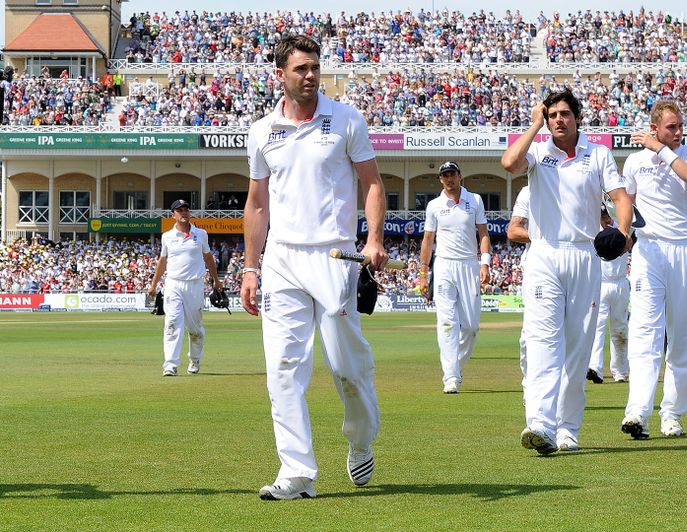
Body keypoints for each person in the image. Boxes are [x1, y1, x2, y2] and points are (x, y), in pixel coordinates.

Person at [241, 35, 389, 499]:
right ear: (280, 75)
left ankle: (362, 439)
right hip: (282, 258)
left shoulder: (346, 119)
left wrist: (375, 239)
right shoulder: (262, 130)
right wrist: (249, 268)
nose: (310, 75)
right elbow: (257, 203)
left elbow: (372, 184)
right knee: (283, 368)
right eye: (301, 68)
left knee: (347, 366)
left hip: (335, 256)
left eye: (315, 67)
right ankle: (297, 473)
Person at [501, 88, 633, 454]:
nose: (558, 120)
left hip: (584, 255)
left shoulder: (598, 153)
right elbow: (509, 163)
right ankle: (539, 424)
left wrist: (622, 233)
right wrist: (533, 126)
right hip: (544, 254)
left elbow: (621, 197)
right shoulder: (538, 150)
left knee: (577, 346)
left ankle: (567, 429)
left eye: (565, 114)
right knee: (544, 341)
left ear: (577, 118)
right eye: (552, 114)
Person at [621, 100, 687, 440]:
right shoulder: (634, 162)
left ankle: (671, 413)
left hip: (685, 249)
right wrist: (623, 235)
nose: (679, 131)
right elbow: (626, 202)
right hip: (649, 250)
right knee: (644, 331)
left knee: (683, 337)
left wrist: (661, 148)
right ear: (655, 126)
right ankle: (637, 412)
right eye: (672, 127)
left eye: (680, 125)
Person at [418, 161, 491, 394]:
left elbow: (483, 234)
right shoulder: (434, 205)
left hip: (469, 265)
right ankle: (450, 375)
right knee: (447, 323)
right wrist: (422, 273)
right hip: (444, 266)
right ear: (440, 179)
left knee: (470, 327)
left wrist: (485, 263)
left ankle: (455, 367)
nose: (449, 179)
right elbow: (428, 240)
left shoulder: (475, 200)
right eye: (444, 176)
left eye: (452, 174)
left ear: (460, 176)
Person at [148, 199, 223, 377]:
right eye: (179, 210)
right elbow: (162, 261)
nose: (184, 212)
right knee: (172, 323)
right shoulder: (167, 236)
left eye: (186, 209)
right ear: (173, 214)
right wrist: (153, 284)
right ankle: (170, 364)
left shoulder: (201, 234)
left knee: (195, 328)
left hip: (195, 284)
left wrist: (216, 280)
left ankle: (195, 359)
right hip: (173, 283)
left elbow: (208, 257)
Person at [587, 207, 630, 384]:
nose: (606, 220)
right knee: (597, 327)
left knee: (620, 329)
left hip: (620, 282)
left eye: (607, 216)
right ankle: (595, 367)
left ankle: (620, 371)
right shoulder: (593, 232)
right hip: (601, 283)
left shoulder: (622, 229)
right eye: (602, 216)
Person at [507, 186, 531, 391]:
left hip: (578, 263)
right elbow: (513, 230)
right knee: (531, 334)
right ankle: (530, 385)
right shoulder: (527, 191)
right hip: (537, 264)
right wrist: (543, 237)